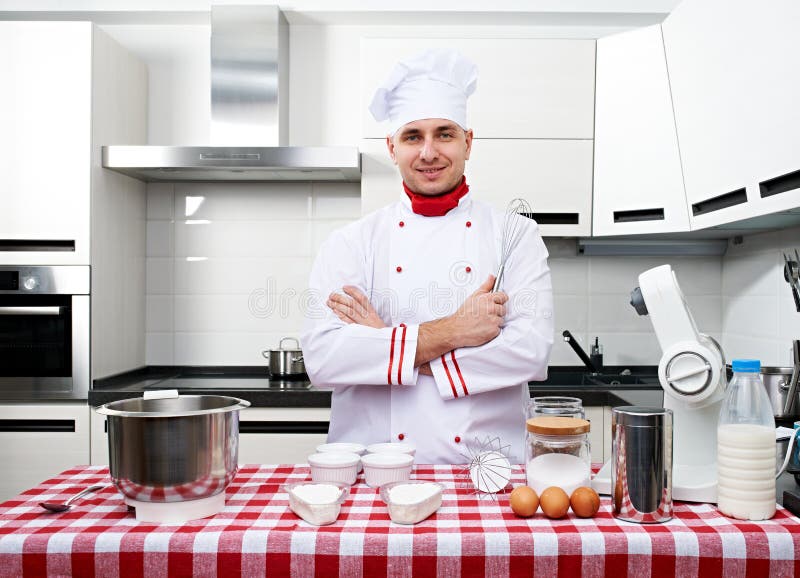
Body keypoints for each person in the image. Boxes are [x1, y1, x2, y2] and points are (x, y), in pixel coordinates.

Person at [301, 48, 553, 464]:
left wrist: (385, 341)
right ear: (392, 147)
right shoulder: (350, 243)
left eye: (445, 134)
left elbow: (530, 351)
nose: (429, 152)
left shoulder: (515, 235)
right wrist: (454, 330)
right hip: (374, 471)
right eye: (413, 136)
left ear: (468, 143)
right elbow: (325, 360)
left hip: (486, 473)